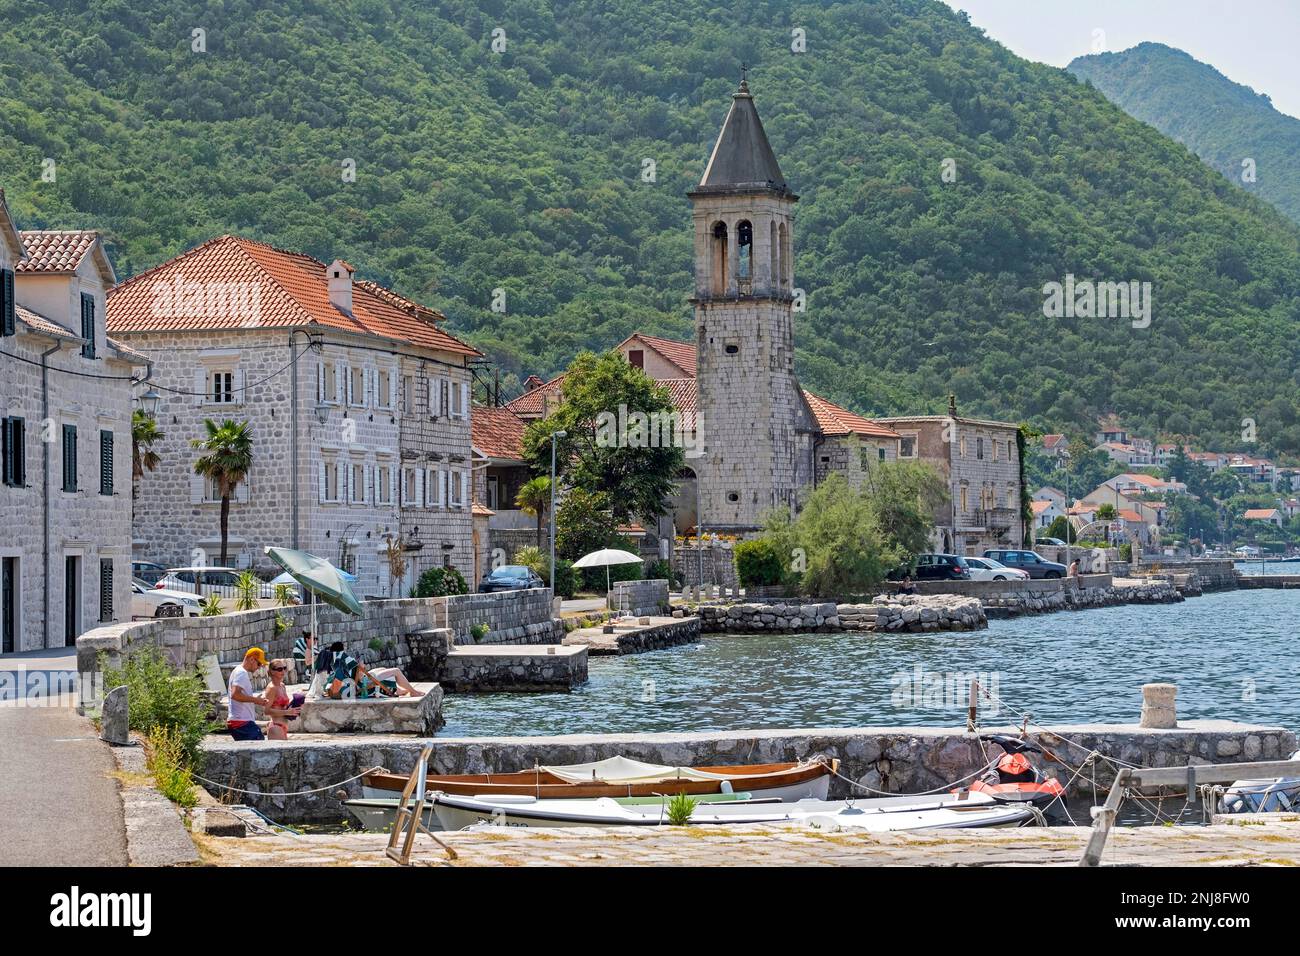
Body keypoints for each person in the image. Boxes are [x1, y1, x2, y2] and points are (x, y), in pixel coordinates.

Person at [227, 647, 270, 741]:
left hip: (239, 721)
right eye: (259, 663)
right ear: (251, 659)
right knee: (259, 748)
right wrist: (256, 700)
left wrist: (255, 700)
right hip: (241, 721)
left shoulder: (238, 671)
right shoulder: (241, 673)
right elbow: (235, 695)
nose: (259, 667)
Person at [263, 658, 301, 740]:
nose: (283, 671)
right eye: (279, 669)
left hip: (283, 726)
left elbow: (282, 706)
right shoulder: (271, 688)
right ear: (272, 671)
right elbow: (266, 711)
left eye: (284, 668)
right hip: (276, 727)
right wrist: (287, 712)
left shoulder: (282, 686)